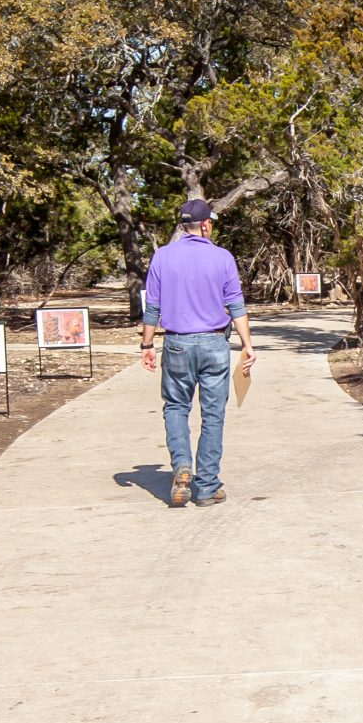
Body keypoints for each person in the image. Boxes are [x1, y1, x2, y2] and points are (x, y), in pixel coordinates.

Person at [140, 199, 255, 507]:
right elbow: (236, 306)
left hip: (177, 344)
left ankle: (181, 466)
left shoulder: (162, 256)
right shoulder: (223, 257)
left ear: (183, 225)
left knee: (176, 408)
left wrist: (147, 345)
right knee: (213, 415)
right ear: (205, 225)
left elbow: (152, 306)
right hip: (215, 344)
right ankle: (206, 487)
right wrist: (247, 345)